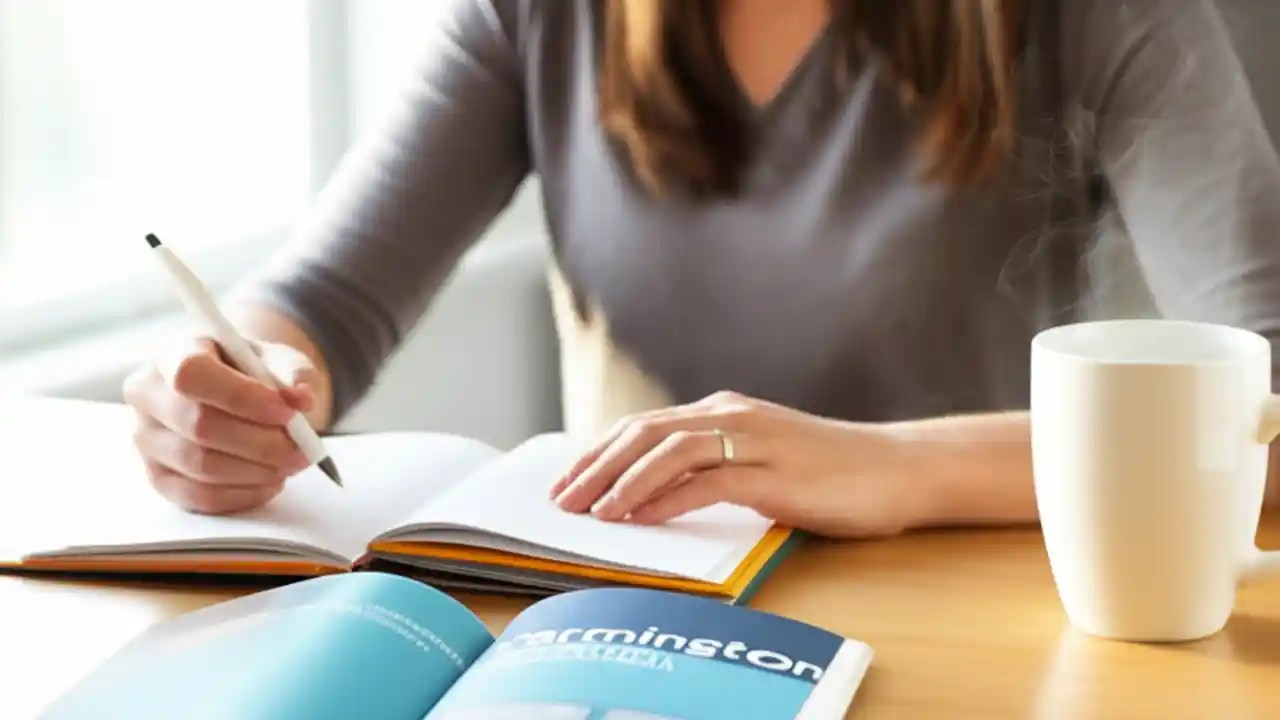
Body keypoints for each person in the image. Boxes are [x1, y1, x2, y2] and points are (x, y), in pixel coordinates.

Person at [123, 0, 1280, 534]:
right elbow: (317, 306)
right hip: (625, 623)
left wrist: (885, 472)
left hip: (979, 633)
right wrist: (235, 382)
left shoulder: (1115, 17)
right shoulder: (535, 16)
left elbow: (1267, 421)